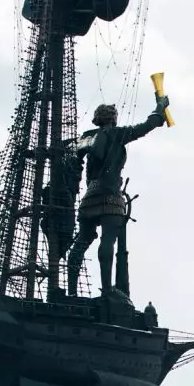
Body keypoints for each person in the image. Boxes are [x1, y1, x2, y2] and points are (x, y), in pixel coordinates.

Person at [66, 93, 170, 298]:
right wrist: (160, 106)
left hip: (89, 197)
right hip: (111, 197)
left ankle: (71, 292)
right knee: (107, 244)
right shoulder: (117, 134)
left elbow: (71, 157)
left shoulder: (87, 136)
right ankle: (106, 291)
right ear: (113, 118)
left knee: (81, 242)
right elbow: (150, 124)